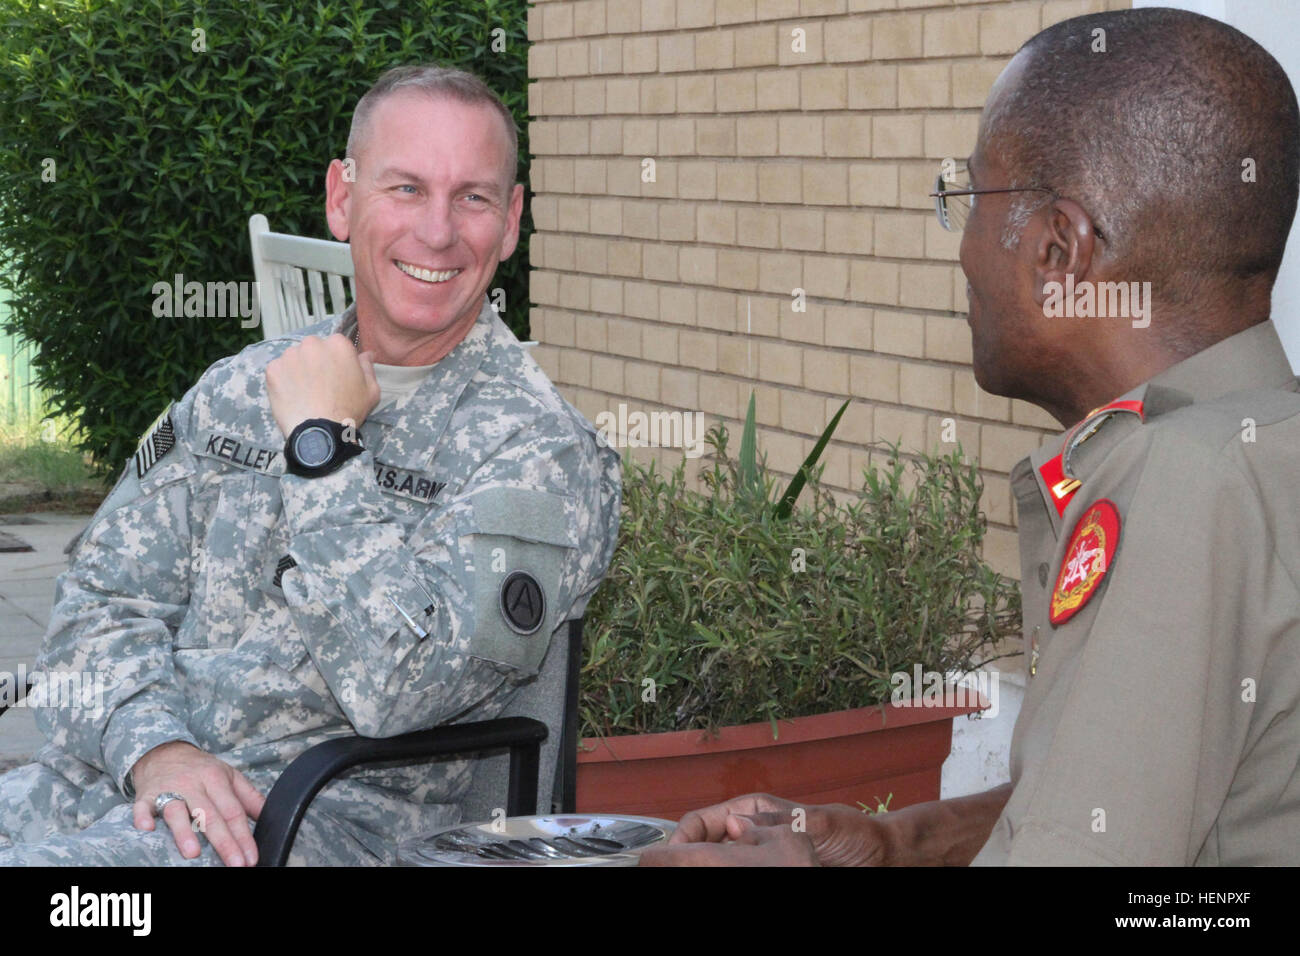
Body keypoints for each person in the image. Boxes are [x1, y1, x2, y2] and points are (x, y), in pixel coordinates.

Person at [642, 7, 1300, 866]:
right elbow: (1130, 809)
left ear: (1061, 251)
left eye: (973, 200)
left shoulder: (1180, 486)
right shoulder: (1258, 447)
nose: (964, 255)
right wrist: (900, 841)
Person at [0, 65, 621, 866]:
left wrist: (323, 449)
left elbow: (398, 687)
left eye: (472, 197)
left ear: (510, 222)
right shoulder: (237, 391)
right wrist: (155, 748)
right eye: (405, 188)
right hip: (121, 787)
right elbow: (97, 599)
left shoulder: (540, 454)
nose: (437, 231)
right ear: (342, 198)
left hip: (311, 822)